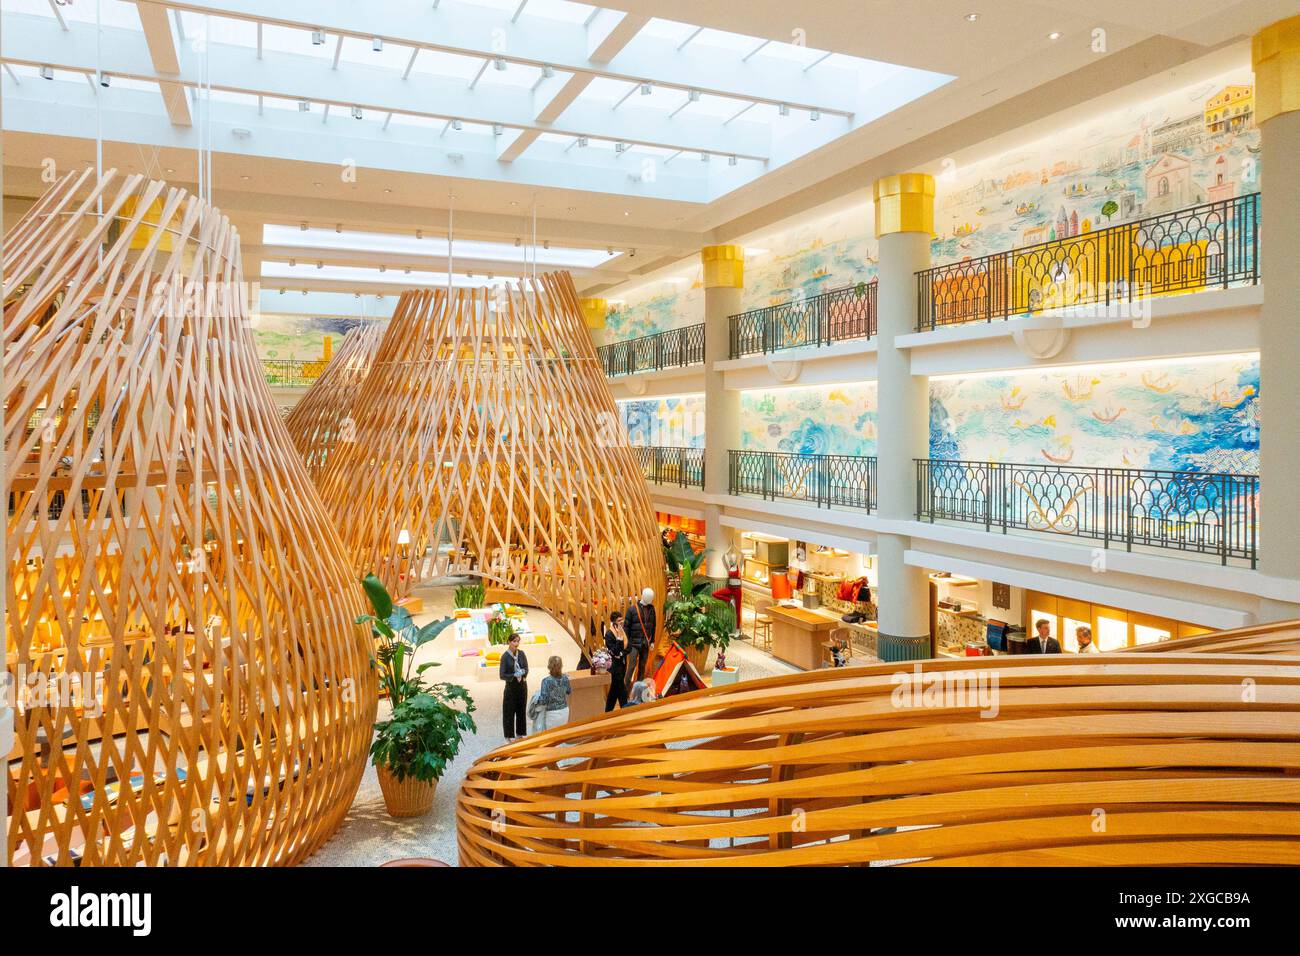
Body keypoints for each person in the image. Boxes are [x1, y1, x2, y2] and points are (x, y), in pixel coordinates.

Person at [623, 587, 657, 693]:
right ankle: (625, 692)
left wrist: (652, 641)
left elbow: (653, 626)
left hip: (645, 644)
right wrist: (627, 643)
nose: (650, 599)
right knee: (631, 667)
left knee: (642, 668)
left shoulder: (652, 610)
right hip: (633, 644)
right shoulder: (632, 610)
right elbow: (626, 628)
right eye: (648, 597)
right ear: (643, 596)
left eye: (651, 597)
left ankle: (637, 692)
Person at [498, 632, 529, 741]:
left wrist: (523, 672)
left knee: (521, 710)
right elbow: (502, 675)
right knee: (509, 712)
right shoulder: (505, 657)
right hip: (511, 687)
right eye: (514, 641)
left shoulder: (522, 654)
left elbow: (526, 668)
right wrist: (513, 675)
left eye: (518, 641)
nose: (516, 644)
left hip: (522, 686)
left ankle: (520, 734)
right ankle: (508, 736)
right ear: (509, 642)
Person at [532, 656, 572, 733]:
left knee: (552, 738)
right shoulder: (565, 678)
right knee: (561, 736)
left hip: (552, 713)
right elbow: (569, 691)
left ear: (549, 667)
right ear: (561, 666)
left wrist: (536, 699)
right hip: (564, 711)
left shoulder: (546, 681)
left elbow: (543, 700)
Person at [604, 610, 628, 712]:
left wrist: (623, 653)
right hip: (614, 667)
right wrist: (619, 638)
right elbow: (615, 651)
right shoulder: (609, 634)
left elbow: (628, 646)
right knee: (622, 690)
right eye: (619, 620)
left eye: (622, 619)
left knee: (614, 691)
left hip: (622, 664)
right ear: (614, 622)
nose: (621, 622)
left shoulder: (622, 630)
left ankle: (608, 712)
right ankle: (625, 710)